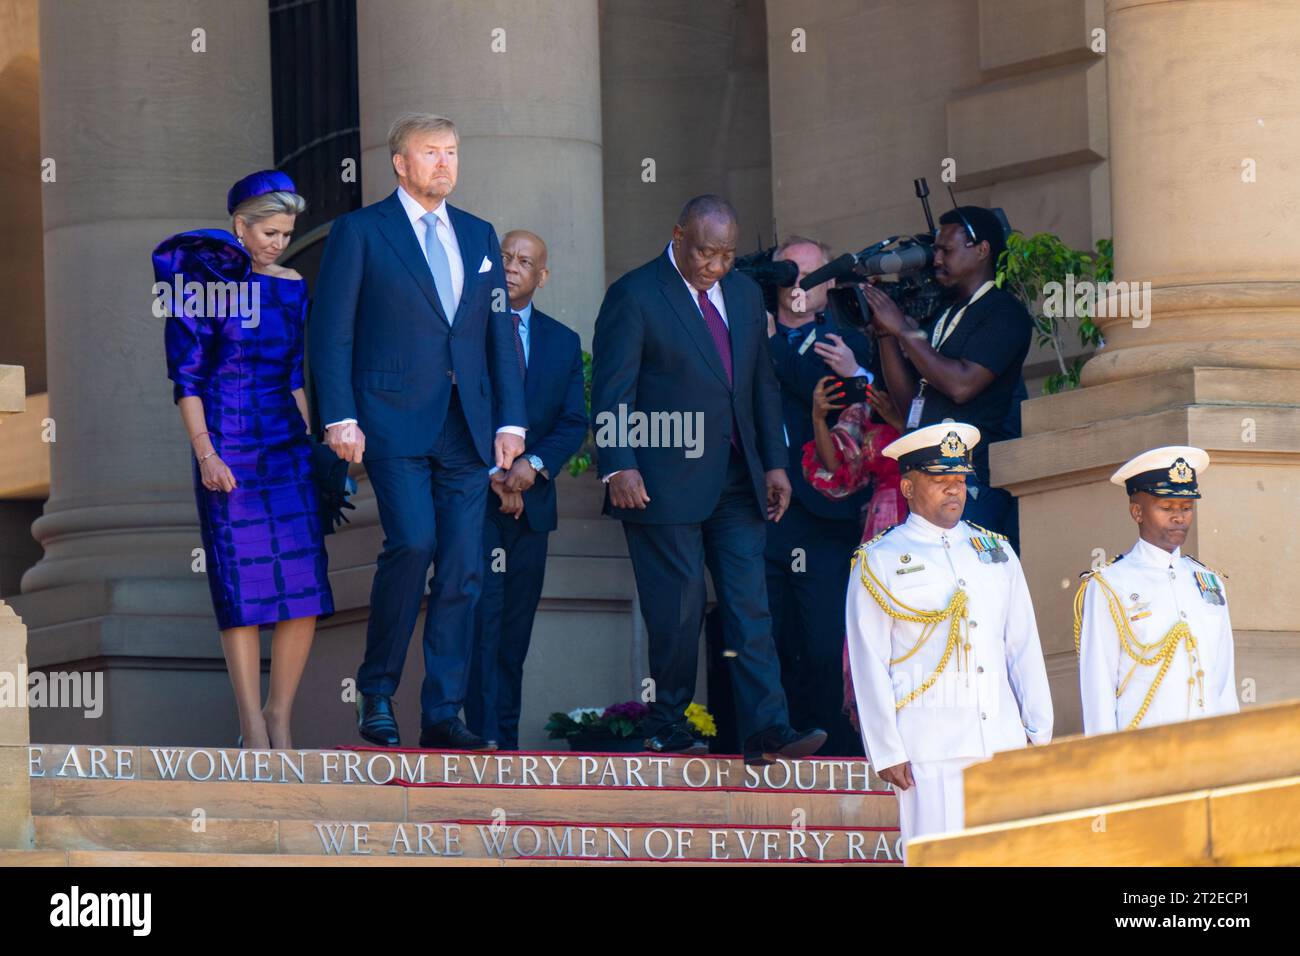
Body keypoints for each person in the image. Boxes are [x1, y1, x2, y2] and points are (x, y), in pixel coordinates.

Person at [309, 113, 527, 750]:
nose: (444, 163)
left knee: (463, 569)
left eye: (452, 152)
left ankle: (443, 712)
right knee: (413, 543)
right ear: (400, 164)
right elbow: (332, 332)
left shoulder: (479, 234)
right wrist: (338, 417)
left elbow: (498, 337)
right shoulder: (360, 231)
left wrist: (511, 421)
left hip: (466, 428)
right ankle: (376, 692)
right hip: (389, 420)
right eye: (430, 152)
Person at [590, 194, 826, 766]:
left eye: (726, 254)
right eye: (704, 251)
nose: (714, 265)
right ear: (677, 235)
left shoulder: (745, 295)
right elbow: (612, 389)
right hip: (659, 480)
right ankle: (668, 722)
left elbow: (760, 385)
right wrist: (619, 464)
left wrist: (775, 462)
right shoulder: (635, 294)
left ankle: (767, 729)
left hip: (737, 479)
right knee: (679, 608)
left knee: (751, 605)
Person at [153, 169, 331, 750]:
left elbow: (293, 375)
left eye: (287, 232)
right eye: (272, 231)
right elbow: (187, 379)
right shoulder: (201, 282)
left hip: (285, 447)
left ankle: (281, 716)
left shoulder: (292, 286)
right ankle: (251, 725)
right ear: (241, 226)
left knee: (302, 585)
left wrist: (312, 443)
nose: (280, 242)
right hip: (226, 447)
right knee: (241, 587)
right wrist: (205, 453)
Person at [845, 422, 1052, 857]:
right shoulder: (879, 560)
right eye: (940, 480)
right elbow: (869, 663)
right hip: (928, 746)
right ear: (907, 486)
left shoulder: (995, 550)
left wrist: (1038, 731)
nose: (954, 491)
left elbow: (1023, 646)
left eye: (959, 480)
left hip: (1000, 740)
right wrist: (886, 748)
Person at [465, 230, 587, 750]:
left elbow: (572, 422)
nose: (513, 267)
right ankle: (478, 740)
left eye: (525, 262)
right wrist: (495, 476)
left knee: (513, 637)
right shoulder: (466, 331)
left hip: (531, 510)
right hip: (474, 503)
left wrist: (530, 468)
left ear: (542, 276)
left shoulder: (562, 340)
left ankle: (506, 749)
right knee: (479, 627)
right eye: (506, 258)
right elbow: (458, 411)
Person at [763, 236, 877, 756]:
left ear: (830, 282)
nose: (796, 286)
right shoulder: (743, 336)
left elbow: (840, 394)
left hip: (825, 511)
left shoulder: (850, 344)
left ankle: (836, 748)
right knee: (768, 636)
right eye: (786, 274)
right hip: (760, 510)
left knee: (826, 639)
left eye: (808, 275)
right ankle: (775, 739)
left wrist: (764, 347)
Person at [863, 206, 1031, 547]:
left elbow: (961, 385)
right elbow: (911, 401)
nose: (935, 258)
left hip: (970, 481)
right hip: (926, 476)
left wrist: (903, 331)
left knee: (971, 584)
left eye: (946, 250)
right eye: (936, 250)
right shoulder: (945, 314)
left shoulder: (1004, 311)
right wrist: (885, 335)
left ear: (981, 250)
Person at [1076, 446, 1239, 734]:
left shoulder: (1209, 582)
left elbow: (1224, 680)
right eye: (1167, 508)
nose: (1179, 517)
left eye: (1186, 508)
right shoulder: (1111, 585)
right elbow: (1098, 686)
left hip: (1208, 746)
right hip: (1146, 750)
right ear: (1137, 511)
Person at [803, 374, 907, 735]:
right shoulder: (869, 402)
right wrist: (818, 417)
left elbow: (940, 463)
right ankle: (879, 735)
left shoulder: (930, 393)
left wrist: (901, 422)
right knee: (875, 626)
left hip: (925, 518)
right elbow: (839, 471)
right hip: (880, 524)